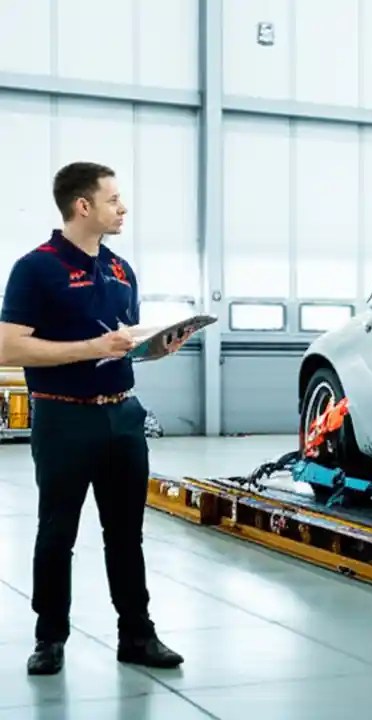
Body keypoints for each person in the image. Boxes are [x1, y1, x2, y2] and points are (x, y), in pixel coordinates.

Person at [0, 162, 191, 675]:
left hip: (123, 417)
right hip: (64, 420)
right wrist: (90, 348)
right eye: (113, 200)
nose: (122, 208)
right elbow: (7, 347)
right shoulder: (35, 268)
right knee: (56, 532)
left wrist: (156, 347)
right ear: (82, 206)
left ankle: (137, 635)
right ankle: (49, 639)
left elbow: (120, 344)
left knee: (126, 533)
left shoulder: (122, 270)